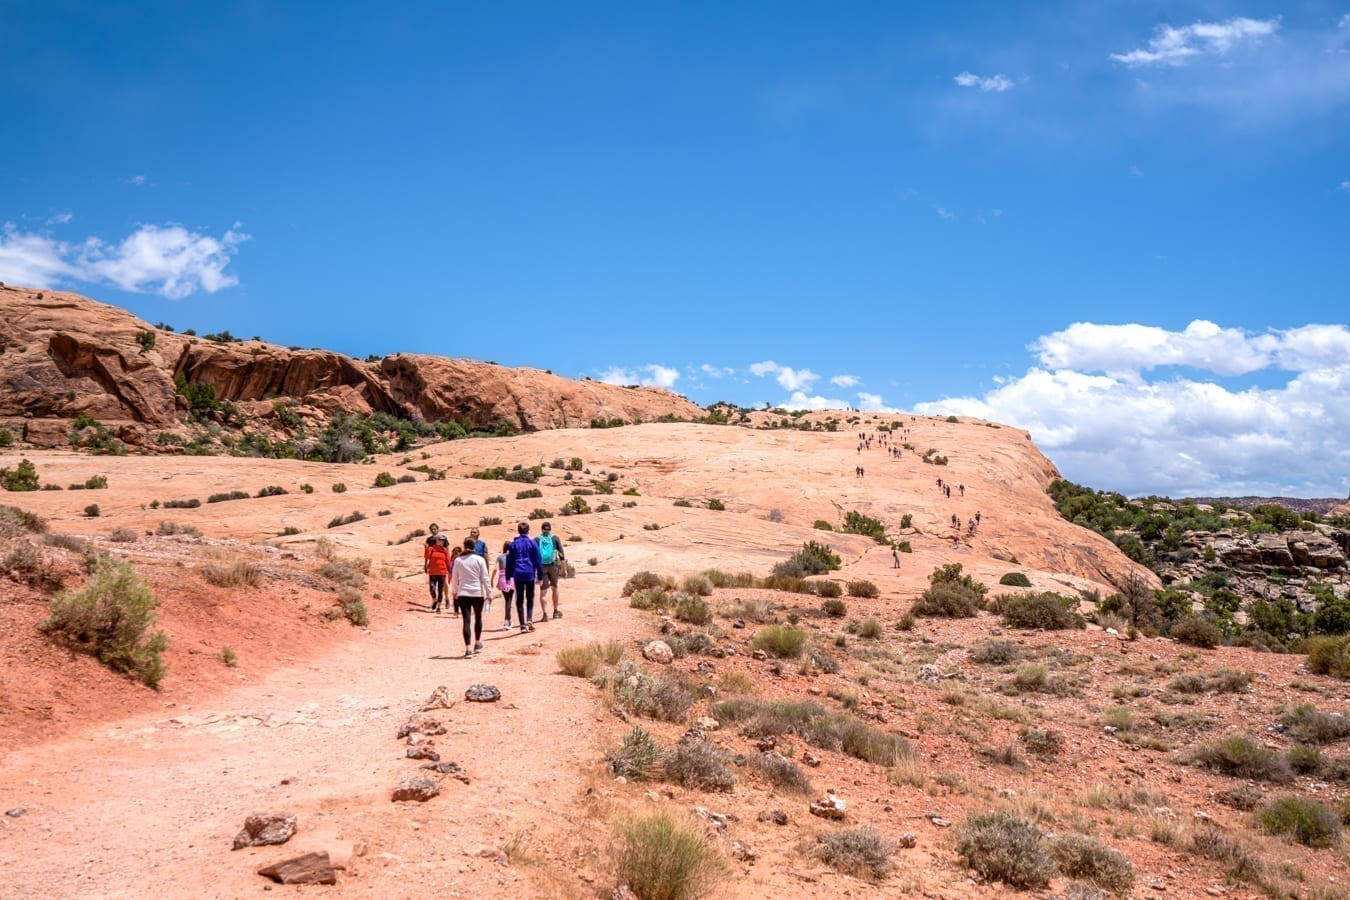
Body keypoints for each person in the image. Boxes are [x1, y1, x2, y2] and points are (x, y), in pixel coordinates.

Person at [450, 535, 492, 657]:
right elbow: (485, 578)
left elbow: (454, 578)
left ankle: (468, 649)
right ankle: (477, 643)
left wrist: (455, 591)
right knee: (478, 618)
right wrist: (489, 594)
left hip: (463, 593)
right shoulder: (480, 560)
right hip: (477, 593)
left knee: (466, 621)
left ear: (464, 546)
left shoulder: (458, 560)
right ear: (474, 547)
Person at [505, 521, 543, 631]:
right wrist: (540, 576)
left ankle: (522, 624)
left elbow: (509, 561)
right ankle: (529, 618)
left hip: (518, 574)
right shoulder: (532, 543)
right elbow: (537, 560)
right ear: (528, 531)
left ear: (518, 531)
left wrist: (508, 576)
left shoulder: (513, 544)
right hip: (529, 573)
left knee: (519, 599)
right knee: (530, 597)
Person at [536, 521, 566, 620]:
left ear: (541, 529)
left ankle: (545, 614)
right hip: (553, 566)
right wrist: (564, 569)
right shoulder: (555, 539)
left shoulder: (536, 540)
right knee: (555, 588)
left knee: (543, 592)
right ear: (550, 530)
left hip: (541, 567)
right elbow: (561, 554)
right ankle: (556, 611)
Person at [423, 525, 450, 613]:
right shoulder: (431, 546)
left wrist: (450, 571)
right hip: (433, 570)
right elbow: (427, 556)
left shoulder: (445, 549)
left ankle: (440, 605)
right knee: (432, 588)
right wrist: (425, 564)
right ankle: (434, 599)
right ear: (436, 540)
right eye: (440, 540)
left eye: (443, 540)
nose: (442, 541)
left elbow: (448, 560)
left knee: (441, 588)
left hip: (442, 571)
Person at [491, 539, 515, 630]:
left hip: (502, 579)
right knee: (509, 600)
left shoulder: (500, 557)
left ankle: (508, 620)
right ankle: (507, 621)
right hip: (511, 578)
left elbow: (495, 569)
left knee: (507, 600)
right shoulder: (513, 557)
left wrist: (492, 579)